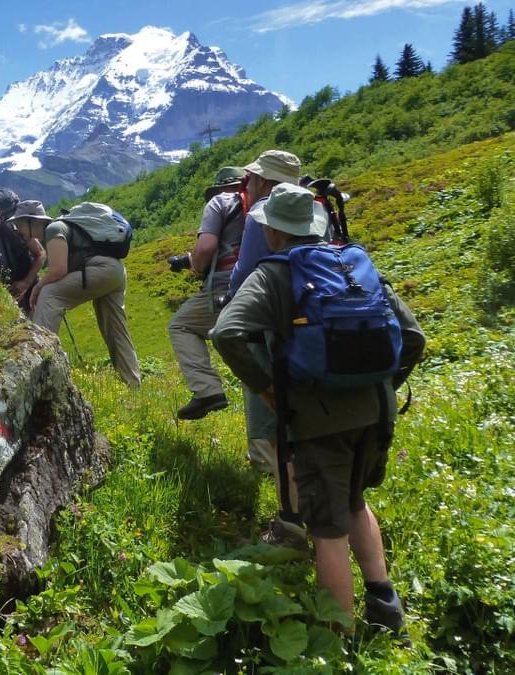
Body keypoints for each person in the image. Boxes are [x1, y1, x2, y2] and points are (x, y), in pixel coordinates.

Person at [211, 183, 425, 634]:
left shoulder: (274, 273)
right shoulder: (354, 262)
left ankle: (339, 641)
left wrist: (268, 390)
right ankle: (384, 603)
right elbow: (414, 337)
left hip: (318, 420)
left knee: (327, 531)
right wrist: (383, 385)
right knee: (353, 500)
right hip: (377, 413)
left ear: (273, 233)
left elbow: (227, 332)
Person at [223, 150, 308, 548]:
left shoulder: (265, 216)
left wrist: (229, 303)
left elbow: (246, 271)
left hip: (266, 330)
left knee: (275, 429)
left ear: (267, 184)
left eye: (254, 178)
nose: (249, 184)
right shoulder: (312, 211)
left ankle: (291, 521)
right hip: (309, 334)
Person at [15, 203, 141, 387]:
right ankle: (133, 385)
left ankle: (39, 366)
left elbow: (58, 270)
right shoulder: (58, 229)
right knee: (115, 328)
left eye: (19, 223)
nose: (17, 228)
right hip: (114, 272)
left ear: (32, 222)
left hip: (101, 270)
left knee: (49, 294)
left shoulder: (53, 229)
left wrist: (37, 287)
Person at [168, 166, 247, 420]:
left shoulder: (220, 202)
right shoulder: (263, 203)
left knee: (181, 325)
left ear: (221, 187)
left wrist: (196, 264)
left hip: (227, 285)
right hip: (268, 281)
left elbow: (207, 247)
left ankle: (207, 391)